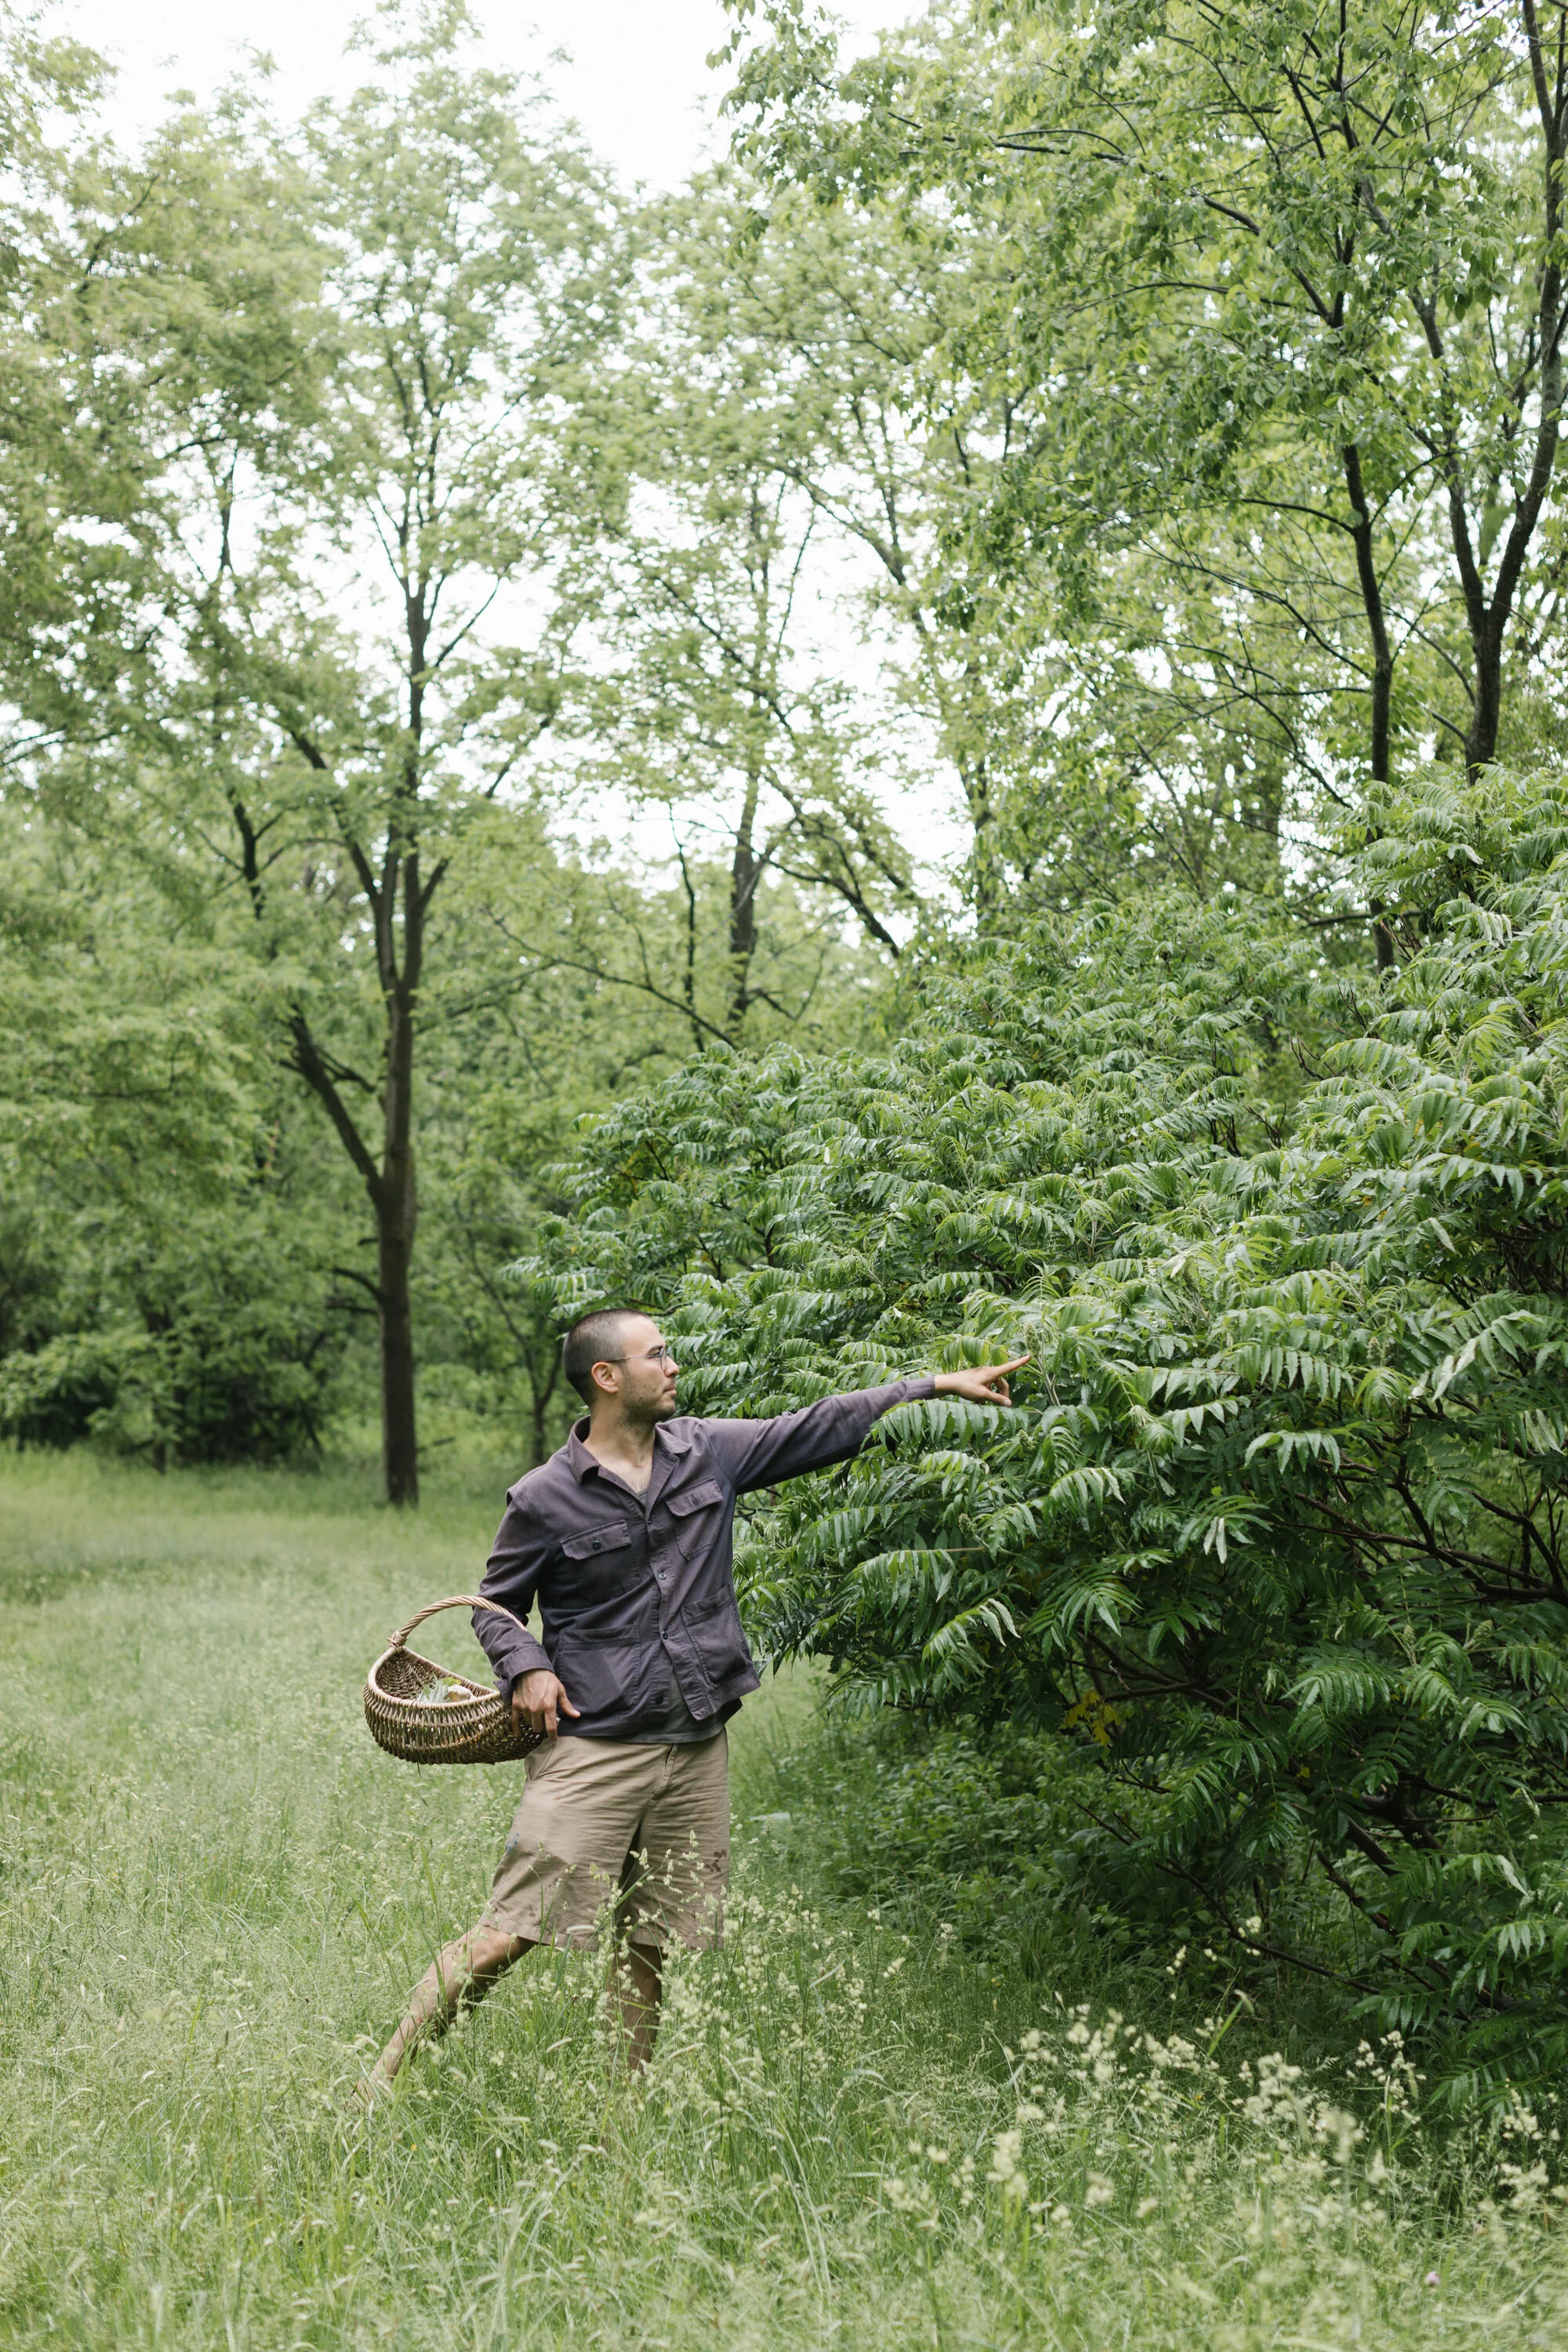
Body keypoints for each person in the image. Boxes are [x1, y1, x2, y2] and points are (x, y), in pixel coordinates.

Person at [364, 1310, 1026, 2091]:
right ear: (606, 1377)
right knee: (506, 1938)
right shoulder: (544, 1497)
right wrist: (527, 1667)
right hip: (593, 1749)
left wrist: (934, 1385)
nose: (672, 1367)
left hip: (694, 1744)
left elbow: (815, 1425)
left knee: (646, 1946)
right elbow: (492, 1604)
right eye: (656, 1355)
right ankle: (376, 2087)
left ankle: (623, 2128)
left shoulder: (705, 1453)